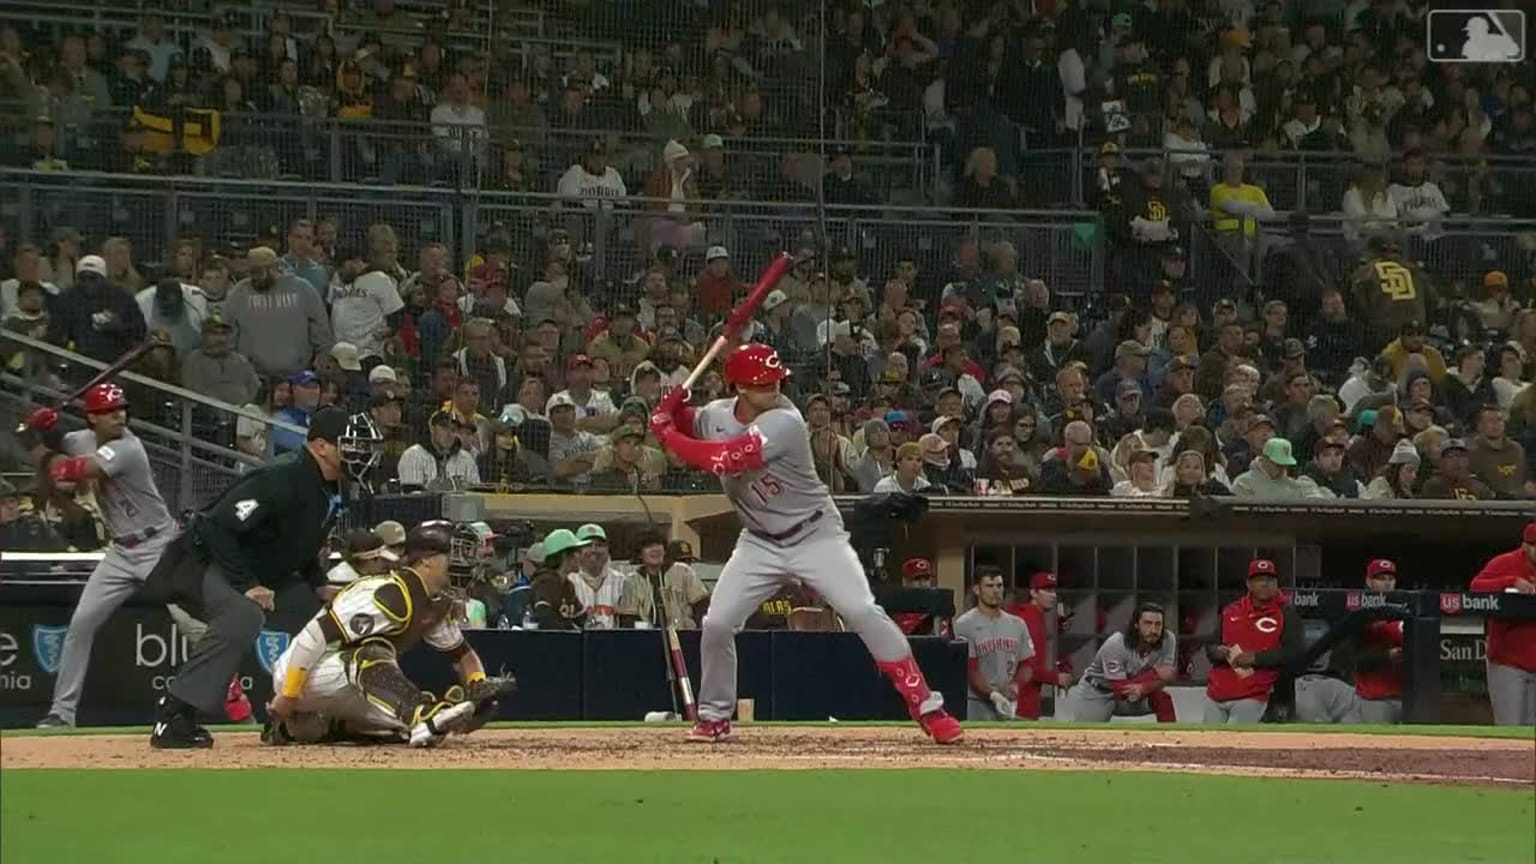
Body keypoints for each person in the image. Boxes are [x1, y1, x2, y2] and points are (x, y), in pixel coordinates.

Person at [649, 342, 963, 743]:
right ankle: (713, 716)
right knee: (717, 623)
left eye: (777, 380)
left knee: (862, 611)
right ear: (740, 388)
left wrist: (668, 433)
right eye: (764, 383)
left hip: (815, 534)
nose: (775, 387)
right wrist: (672, 408)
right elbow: (692, 421)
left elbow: (726, 460)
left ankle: (927, 706)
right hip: (759, 541)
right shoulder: (715, 416)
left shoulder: (786, 421)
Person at [142, 406, 380, 748]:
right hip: (199, 561)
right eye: (352, 444)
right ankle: (175, 711)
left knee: (324, 616)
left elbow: (301, 544)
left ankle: (302, 718)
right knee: (243, 616)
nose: (361, 454)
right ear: (320, 446)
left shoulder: (328, 488)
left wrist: (318, 584)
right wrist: (248, 585)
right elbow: (215, 526)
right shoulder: (283, 477)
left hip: (255, 570)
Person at [264, 523, 511, 746]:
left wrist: (477, 685)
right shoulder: (388, 593)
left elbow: (461, 654)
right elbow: (314, 636)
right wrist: (288, 693)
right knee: (374, 655)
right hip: (303, 671)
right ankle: (424, 715)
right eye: (454, 554)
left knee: (400, 728)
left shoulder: (437, 601)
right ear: (426, 560)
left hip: (349, 684)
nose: (466, 563)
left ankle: (300, 728)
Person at [28, 384, 179, 729]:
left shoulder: (129, 447)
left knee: (191, 622)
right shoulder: (82, 438)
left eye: (122, 409)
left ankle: (234, 699)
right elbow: (36, 444)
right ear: (92, 417)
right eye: (110, 411)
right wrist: (41, 427)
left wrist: (49, 448)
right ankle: (62, 714)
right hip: (121, 551)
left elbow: (74, 471)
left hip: (159, 545)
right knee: (81, 625)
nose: (119, 415)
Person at [1202, 558, 1305, 723]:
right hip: (1217, 692)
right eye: (1259, 579)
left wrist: (1255, 658)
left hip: (1254, 694)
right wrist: (1217, 652)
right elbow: (1210, 646)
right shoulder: (1230, 611)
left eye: (1270, 580)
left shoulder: (1287, 613)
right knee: (1206, 743)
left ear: (1276, 583)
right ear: (1249, 584)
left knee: (1235, 743)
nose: (1265, 584)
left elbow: (1295, 652)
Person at [1468, 522, 1536, 725]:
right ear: (1525, 546)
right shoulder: (1505, 563)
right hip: (1508, 662)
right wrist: (1510, 582)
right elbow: (1475, 588)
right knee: (1510, 728)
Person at [1065, 602, 1177, 722]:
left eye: (1158, 624)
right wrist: (1154, 674)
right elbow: (1120, 690)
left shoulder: (1168, 639)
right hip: (1098, 692)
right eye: (1148, 623)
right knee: (1087, 736)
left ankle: (1172, 738)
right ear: (1136, 625)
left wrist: (1143, 688)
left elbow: (1165, 677)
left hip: (1135, 691)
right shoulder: (1116, 644)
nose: (1153, 629)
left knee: (1162, 698)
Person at [952, 568, 1033, 721]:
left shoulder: (1017, 624)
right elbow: (971, 668)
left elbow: (1027, 664)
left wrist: (1016, 685)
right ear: (977, 589)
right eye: (990, 586)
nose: (996, 591)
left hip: (1007, 701)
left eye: (999, 586)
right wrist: (993, 694)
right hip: (975, 704)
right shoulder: (965, 624)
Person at [1352, 559, 1405, 724]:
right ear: (1369, 582)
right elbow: (1354, 658)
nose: (1387, 583)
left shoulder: (1406, 610)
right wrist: (1387, 655)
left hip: (1406, 697)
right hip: (1374, 699)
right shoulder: (1359, 614)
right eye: (1381, 579)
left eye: (1390, 579)